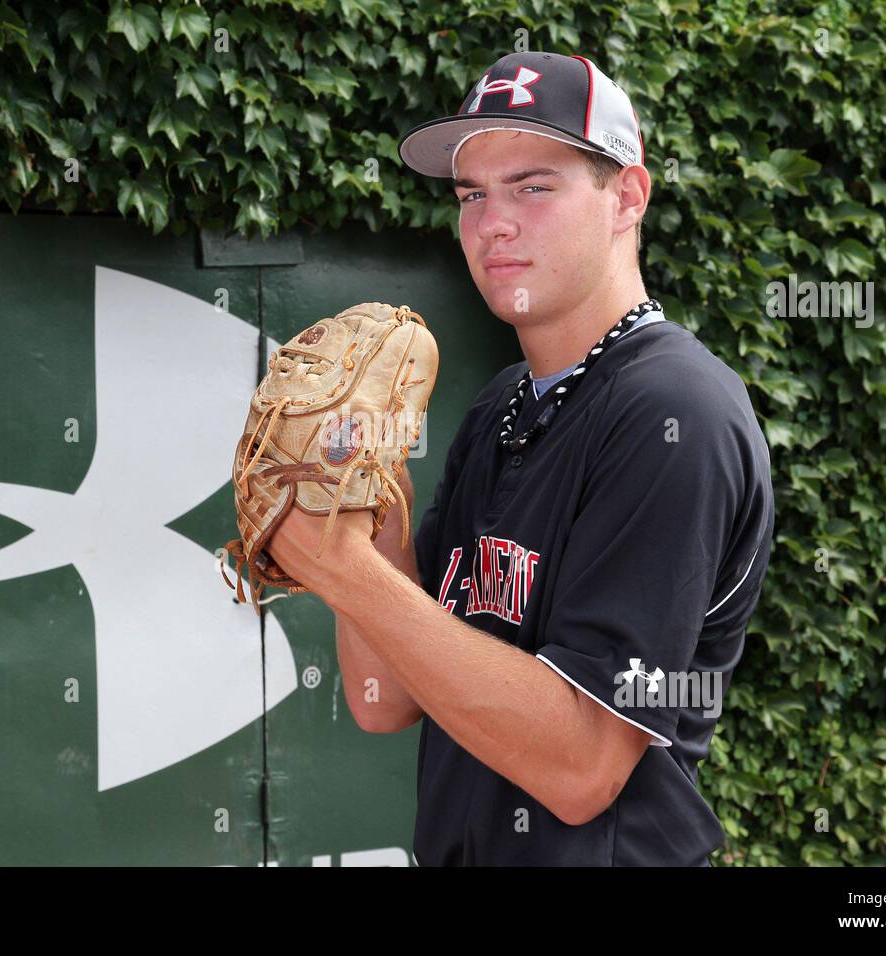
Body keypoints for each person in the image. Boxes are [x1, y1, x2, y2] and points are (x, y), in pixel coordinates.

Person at [267, 51, 775, 866]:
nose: (492, 222)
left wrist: (334, 568)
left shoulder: (676, 411)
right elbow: (383, 696)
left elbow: (579, 767)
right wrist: (365, 508)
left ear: (627, 197)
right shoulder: (503, 403)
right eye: (473, 195)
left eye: (534, 187)